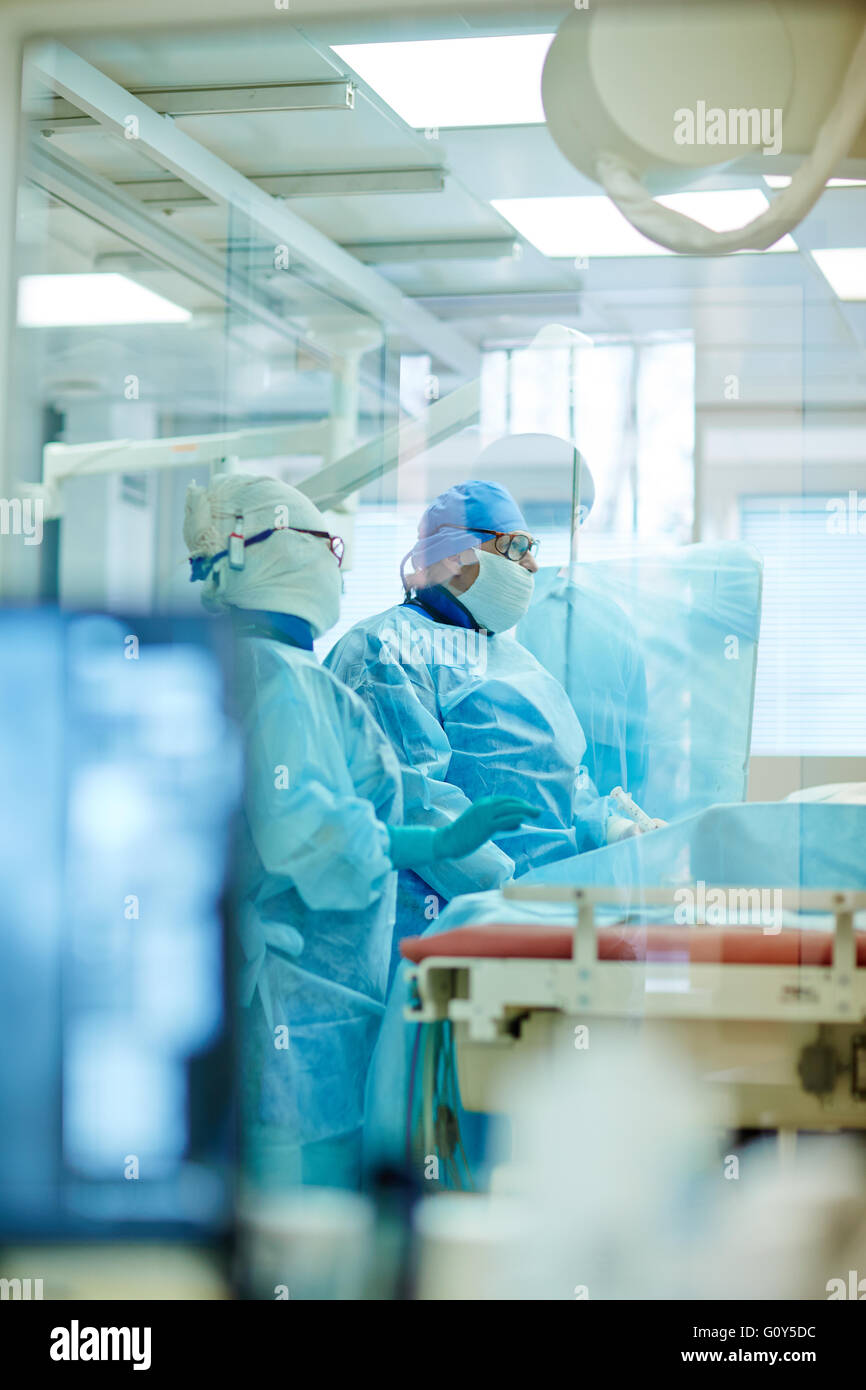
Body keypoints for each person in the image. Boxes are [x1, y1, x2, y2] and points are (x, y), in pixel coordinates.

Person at [183, 473, 537, 1192]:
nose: (337, 565)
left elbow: (355, 806)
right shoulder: (278, 678)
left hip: (318, 1009)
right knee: (299, 1230)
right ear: (259, 550)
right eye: (326, 545)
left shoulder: (284, 674)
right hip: (297, 1019)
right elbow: (310, 835)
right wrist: (432, 845)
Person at [325, 462, 660, 969]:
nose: (530, 566)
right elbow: (415, 805)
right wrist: (520, 904)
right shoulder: (386, 651)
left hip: (539, 928)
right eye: (516, 547)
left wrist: (610, 829)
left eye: (534, 550)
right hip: (443, 937)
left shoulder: (513, 659)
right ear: (455, 555)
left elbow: (560, 785)